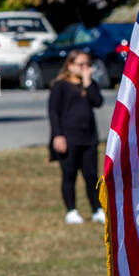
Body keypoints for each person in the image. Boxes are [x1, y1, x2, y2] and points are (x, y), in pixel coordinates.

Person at [48, 50, 104, 224]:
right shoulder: (60, 85)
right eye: (81, 65)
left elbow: (98, 102)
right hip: (68, 137)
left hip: (88, 138)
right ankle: (71, 210)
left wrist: (88, 82)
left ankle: (97, 208)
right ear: (70, 66)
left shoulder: (89, 84)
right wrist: (58, 135)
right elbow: (53, 112)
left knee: (91, 175)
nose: (85, 68)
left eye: (87, 64)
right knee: (69, 175)